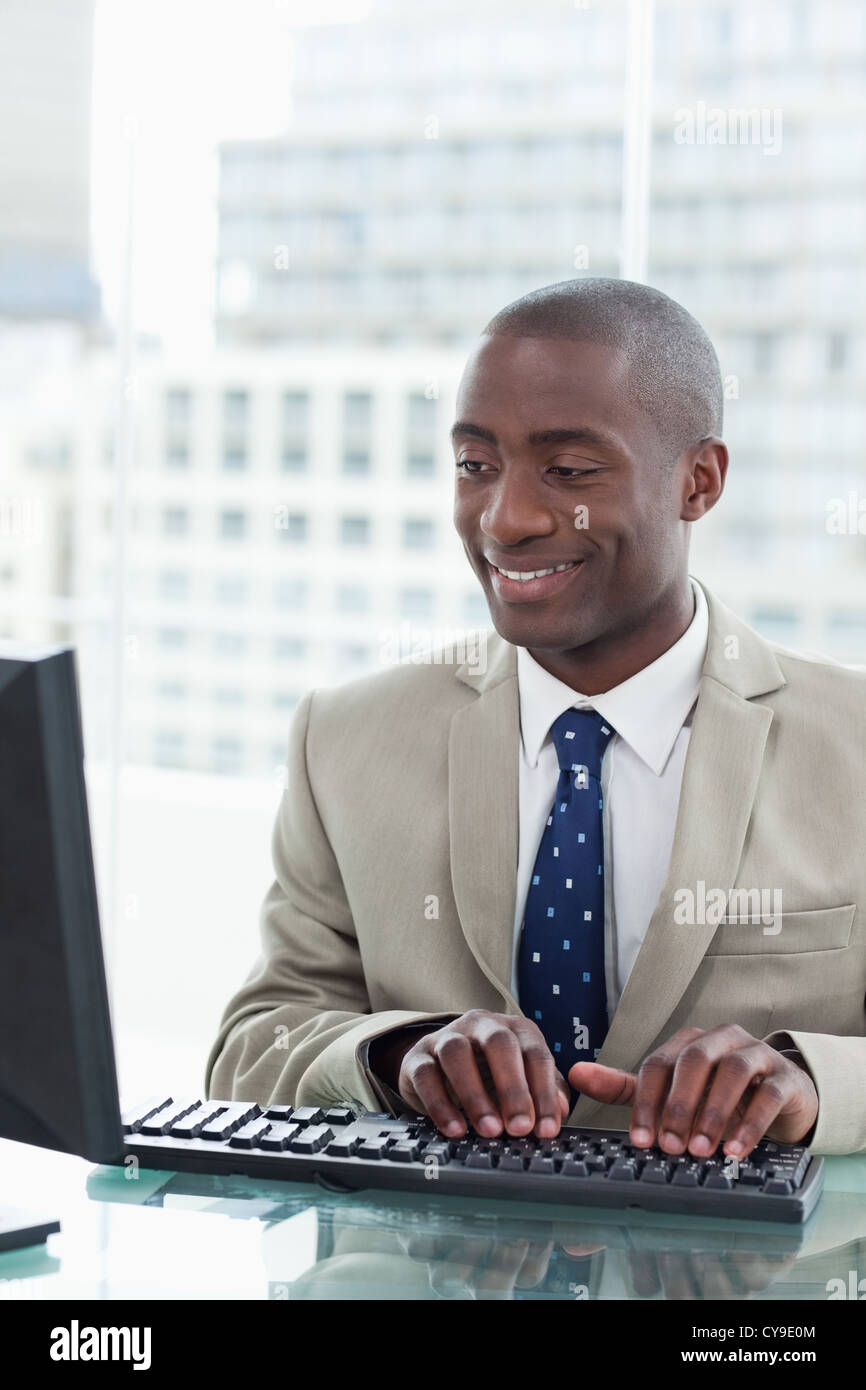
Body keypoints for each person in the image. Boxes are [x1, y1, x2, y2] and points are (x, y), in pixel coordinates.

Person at [205, 277, 866, 1158]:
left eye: (569, 470)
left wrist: (810, 1084)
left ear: (699, 482)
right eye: (477, 466)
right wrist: (396, 1054)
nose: (505, 519)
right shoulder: (345, 739)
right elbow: (254, 1046)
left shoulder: (852, 739)